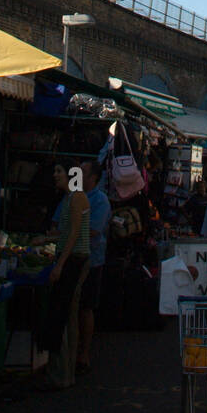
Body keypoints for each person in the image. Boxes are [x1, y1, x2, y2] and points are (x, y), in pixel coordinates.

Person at [40, 162, 90, 390]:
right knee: (66, 316)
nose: (55, 175)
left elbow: (74, 234)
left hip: (74, 261)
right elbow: (67, 232)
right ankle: (63, 373)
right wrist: (46, 240)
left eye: (59, 171)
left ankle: (62, 374)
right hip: (70, 259)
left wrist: (60, 264)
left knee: (63, 314)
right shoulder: (70, 199)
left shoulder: (77, 198)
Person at [76, 157, 111, 377]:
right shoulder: (72, 196)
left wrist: (64, 235)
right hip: (69, 257)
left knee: (85, 307)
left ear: (94, 178)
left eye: (83, 172)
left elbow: (93, 231)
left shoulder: (100, 201)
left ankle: (84, 353)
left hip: (91, 259)